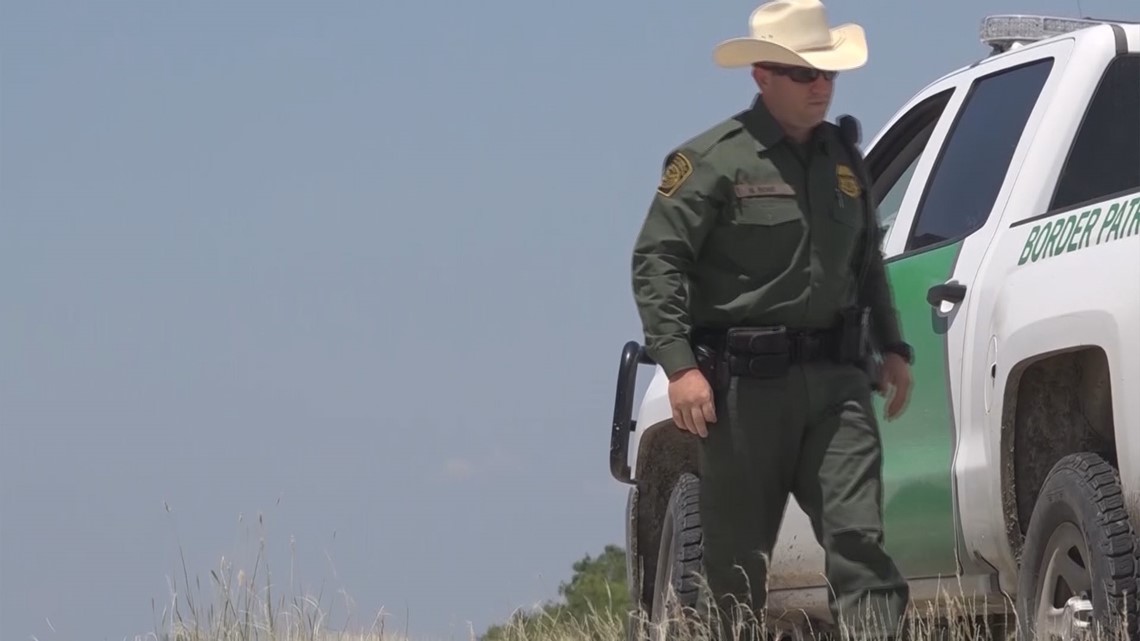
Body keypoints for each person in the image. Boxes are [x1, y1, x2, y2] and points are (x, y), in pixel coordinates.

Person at [629, 0, 915, 639]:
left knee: (860, 546)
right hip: (743, 395)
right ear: (762, 75)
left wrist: (892, 345)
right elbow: (657, 261)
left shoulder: (845, 161)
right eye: (805, 74)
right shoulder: (713, 160)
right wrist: (679, 367)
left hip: (838, 386)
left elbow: (866, 260)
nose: (822, 85)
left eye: (829, 74)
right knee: (734, 571)